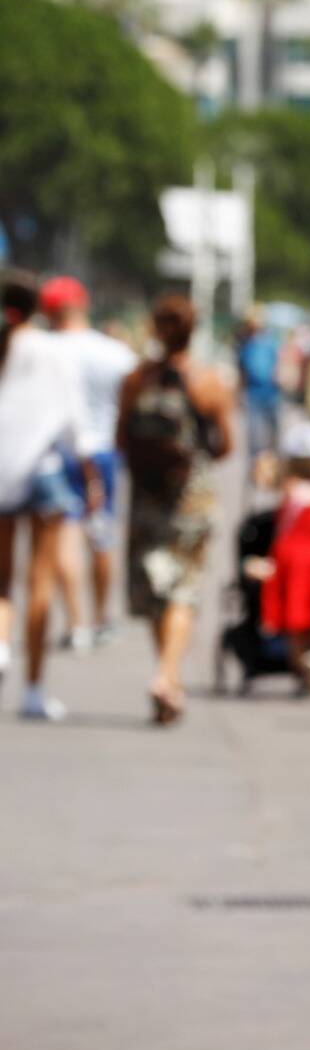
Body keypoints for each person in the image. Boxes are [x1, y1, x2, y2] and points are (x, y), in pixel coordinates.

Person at [117, 293, 234, 725]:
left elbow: (121, 440)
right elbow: (226, 445)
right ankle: (168, 675)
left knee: (154, 587)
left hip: (147, 493)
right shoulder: (207, 381)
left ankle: (168, 676)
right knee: (184, 588)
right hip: (191, 493)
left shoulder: (136, 379)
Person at [0, 272, 92, 720]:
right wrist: (91, 473)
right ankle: (34, 688)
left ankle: (0, 644)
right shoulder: (53, 350)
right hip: (43, 471)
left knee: (1, 580)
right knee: (40, 582)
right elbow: (75, 421)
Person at [40, 276, 139, 650]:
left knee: (66, 532)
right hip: (103, 450)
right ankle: (101, 617)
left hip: (56, 451)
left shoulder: (43, 349)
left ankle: (76, 621)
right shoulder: (112, 352)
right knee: (101, 534)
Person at [263, 420, 310, 695]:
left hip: (291, 560)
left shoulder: (289, 487)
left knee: (295, 620)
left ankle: (301, 666)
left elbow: (264, 480)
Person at [236, 308, 282, 469]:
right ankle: (254, 467)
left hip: (271, 393)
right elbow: (242, 370)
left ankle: (273, 465)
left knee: (274, 434)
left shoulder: (270, 341)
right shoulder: (245, 344)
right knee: (254, 437)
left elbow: (278, 364)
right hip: (253, 394)